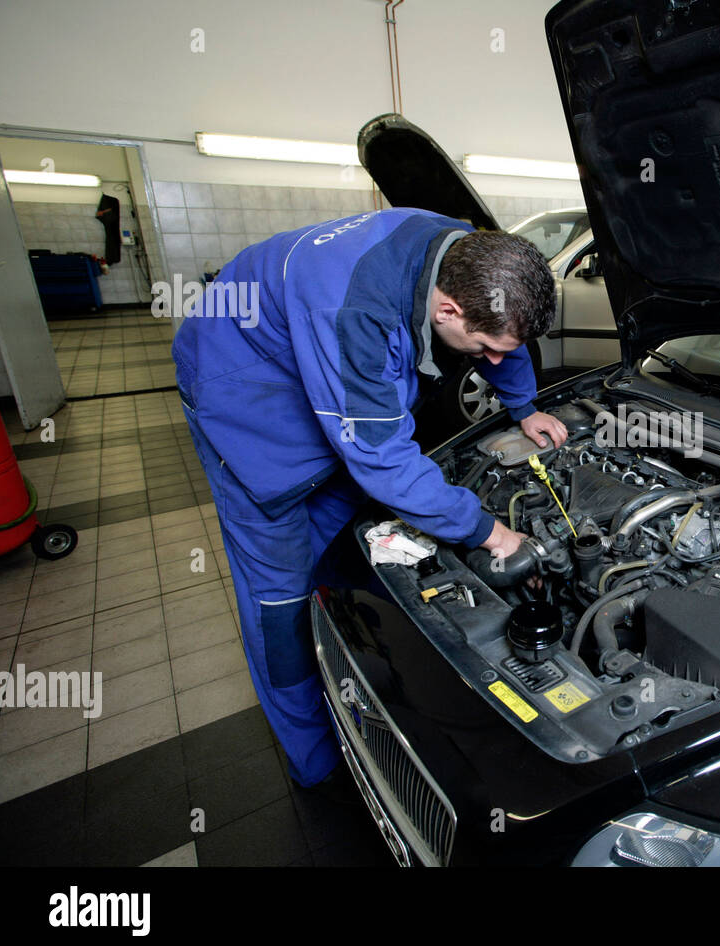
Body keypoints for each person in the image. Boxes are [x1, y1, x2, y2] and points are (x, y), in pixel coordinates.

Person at [172, 207, 567, 788]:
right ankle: (318, 762)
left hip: (315, 355)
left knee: (342, 535)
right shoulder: (351, 309)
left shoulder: (460, 251)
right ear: (447, 309)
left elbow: (503, 346)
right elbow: (381, 458)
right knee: (278, 597)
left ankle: (332, 621)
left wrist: (525, 407)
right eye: (480, 346)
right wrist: (491, 532)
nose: (491, 359)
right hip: (245, 394)